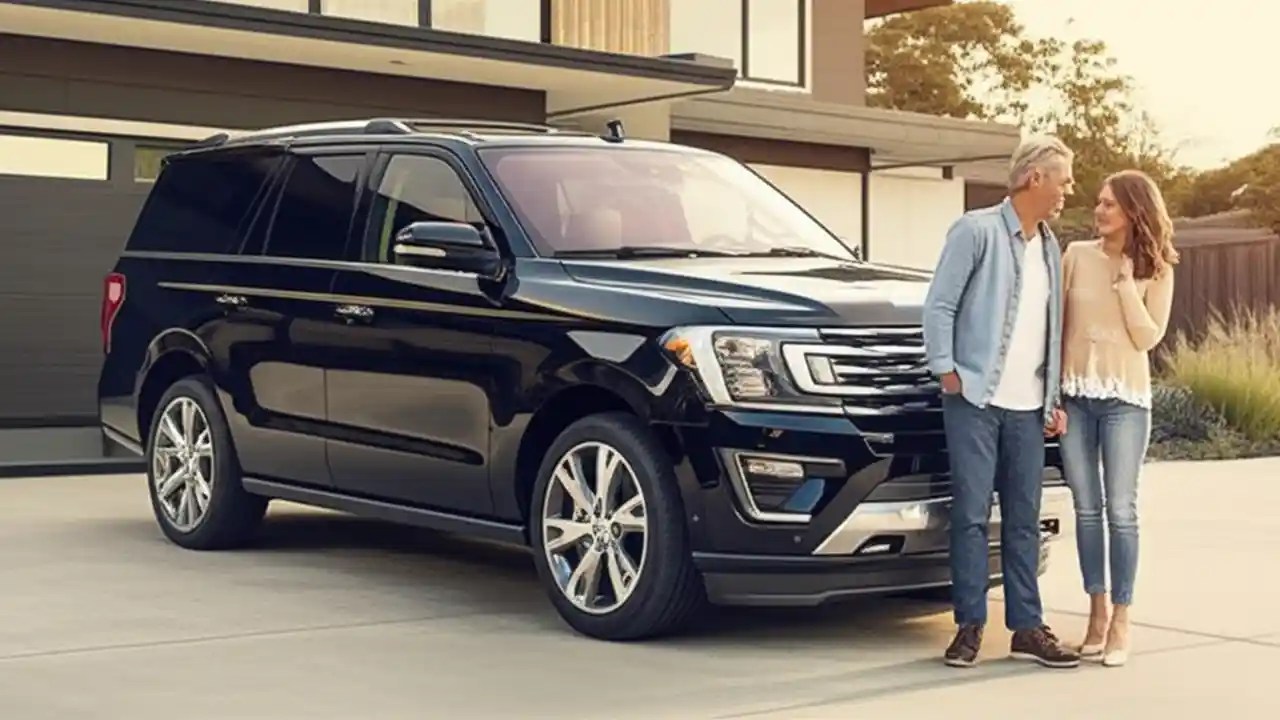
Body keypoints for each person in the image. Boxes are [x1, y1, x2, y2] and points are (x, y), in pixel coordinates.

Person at [923, 135, 1081, 669]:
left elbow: (1049, 329)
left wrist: (1052, 397)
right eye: (1063, 180)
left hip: (1028, 407)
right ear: (1036, 178)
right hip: (975, 398)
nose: (1068, 190)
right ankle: (969, 626)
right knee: (971, 515)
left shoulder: (1051, 248)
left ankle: (1027, 628)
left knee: (1024, 519)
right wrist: (947, 371)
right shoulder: (976, 230)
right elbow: (940, 305)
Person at [1058, 170, 1178, 668]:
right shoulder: (1075, 255)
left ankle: (1122, 620)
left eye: (1109, 204)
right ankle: (1096, 614)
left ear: (1133, 210)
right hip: (1075, 399)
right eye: (1099, 202)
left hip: (1126, 402)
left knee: (1121, 510)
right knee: (1086, 510)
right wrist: (1052, 398)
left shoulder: (1158, 269)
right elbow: (1056, 326)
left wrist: (1127, 284)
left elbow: (1148, 338)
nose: (1099, 210)